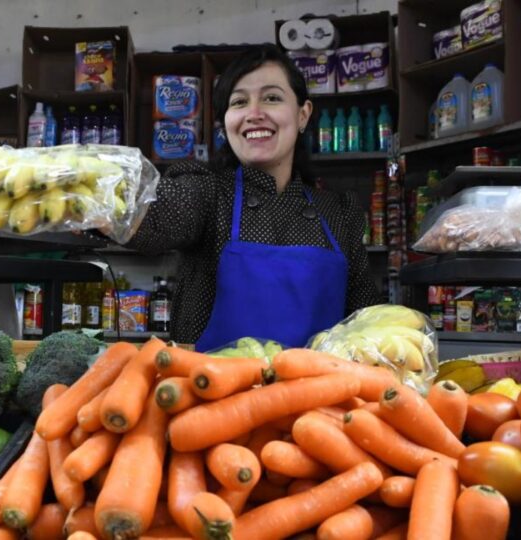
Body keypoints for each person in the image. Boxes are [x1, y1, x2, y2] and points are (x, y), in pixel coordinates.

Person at [126, 44, 379, 351]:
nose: (254, 114)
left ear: (303, 114)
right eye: (239, 102)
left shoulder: (339, 213)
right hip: (210, 381)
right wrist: (96, 190)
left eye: (272, 98)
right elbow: (155, 214)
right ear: (226, 121)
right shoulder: (208, 195)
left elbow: (366, 323)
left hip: (318, 383)